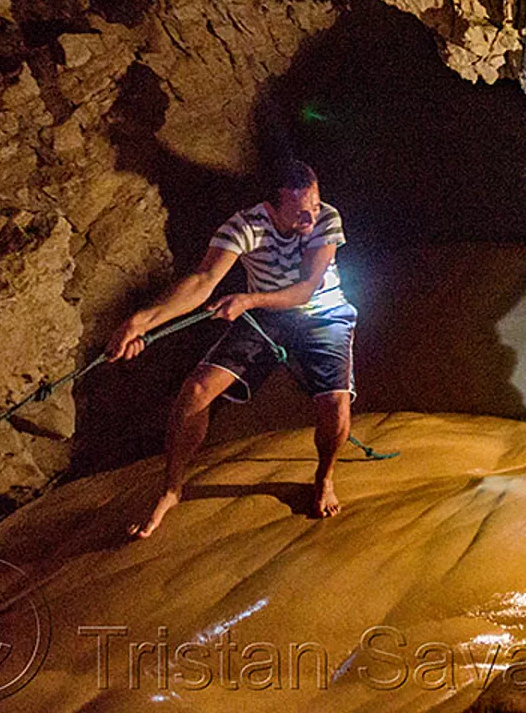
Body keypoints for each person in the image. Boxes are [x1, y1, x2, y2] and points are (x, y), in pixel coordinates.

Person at [105, 159, 356, 538]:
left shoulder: (326, 219)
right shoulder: (245, 226)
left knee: (335, 402)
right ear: (272, 207)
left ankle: (324, 477)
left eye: (315, 205)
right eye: (301, 211)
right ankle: (172, 490)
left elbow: (306, 289)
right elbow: (203, 281)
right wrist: (140, 323)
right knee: (195, 391)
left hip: (323, 314)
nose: (311, 217)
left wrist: (248, 301)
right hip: (266, 317)